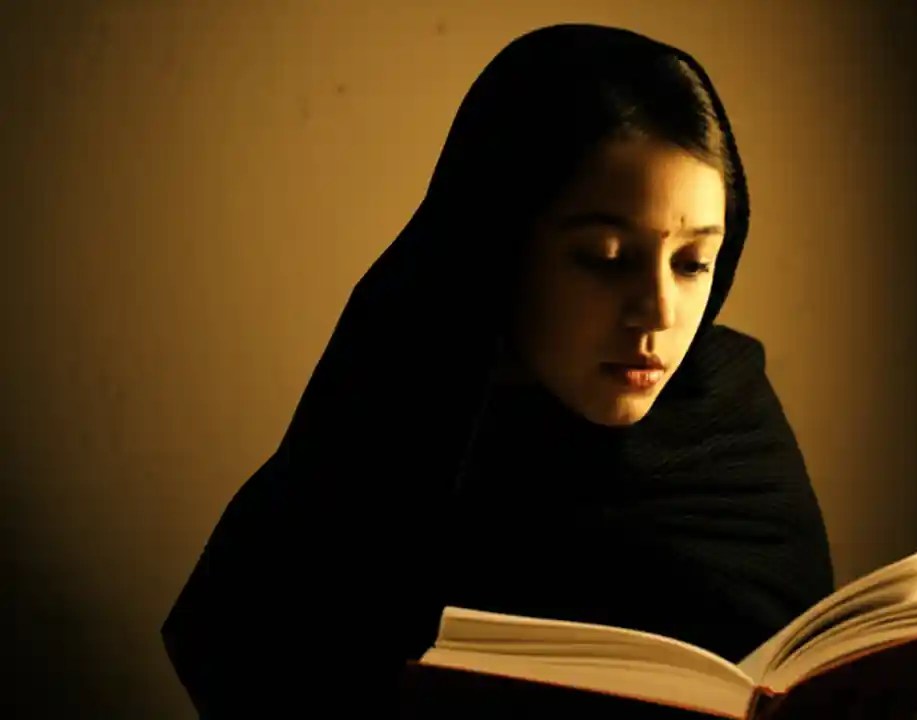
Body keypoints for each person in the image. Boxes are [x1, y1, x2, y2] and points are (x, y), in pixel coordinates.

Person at [162, 22, 834, 718]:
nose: (660, 313)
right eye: (606, 258)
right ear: (501, 247)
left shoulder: (731, 421)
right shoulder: (381, 443)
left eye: (694, 262)